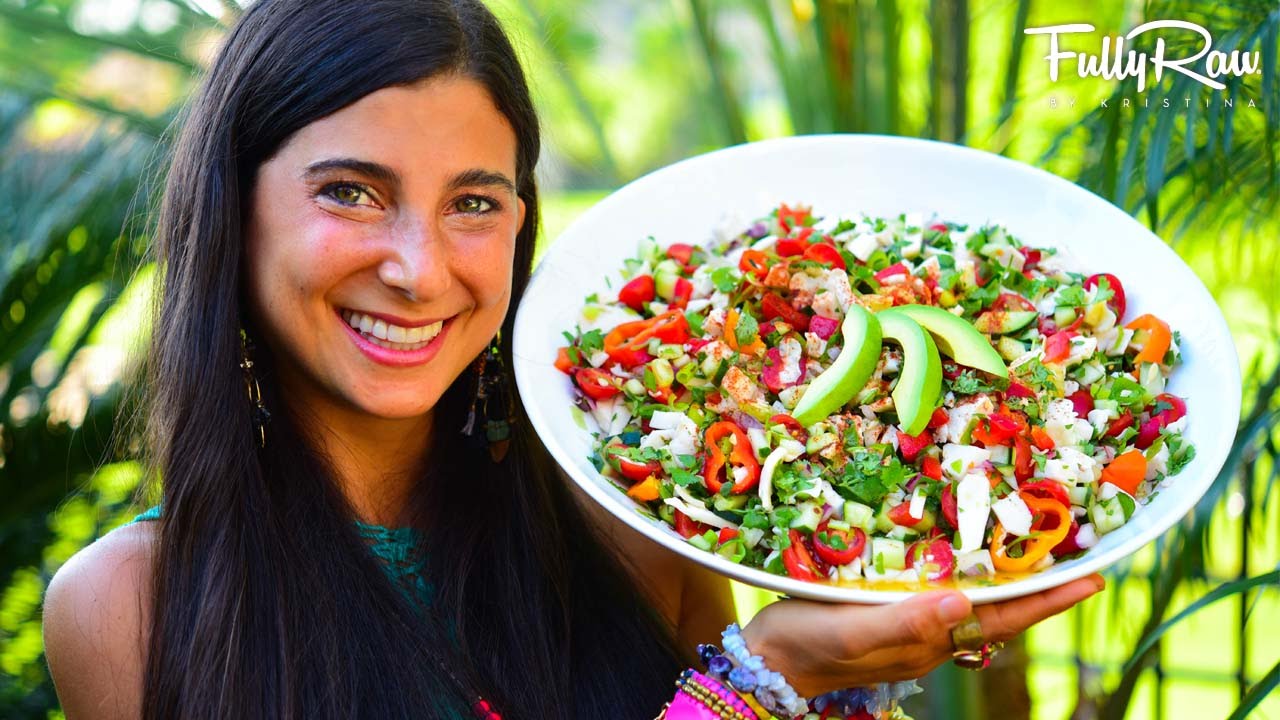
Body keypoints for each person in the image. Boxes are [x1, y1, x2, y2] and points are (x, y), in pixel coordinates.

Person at [40, 1, 1104, 718]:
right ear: (234, 210)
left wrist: (859, 666)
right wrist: (761, 681)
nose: (418, 270)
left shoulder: (635, 520)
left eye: (473, 203)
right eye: (350, 192)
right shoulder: (132, 607)